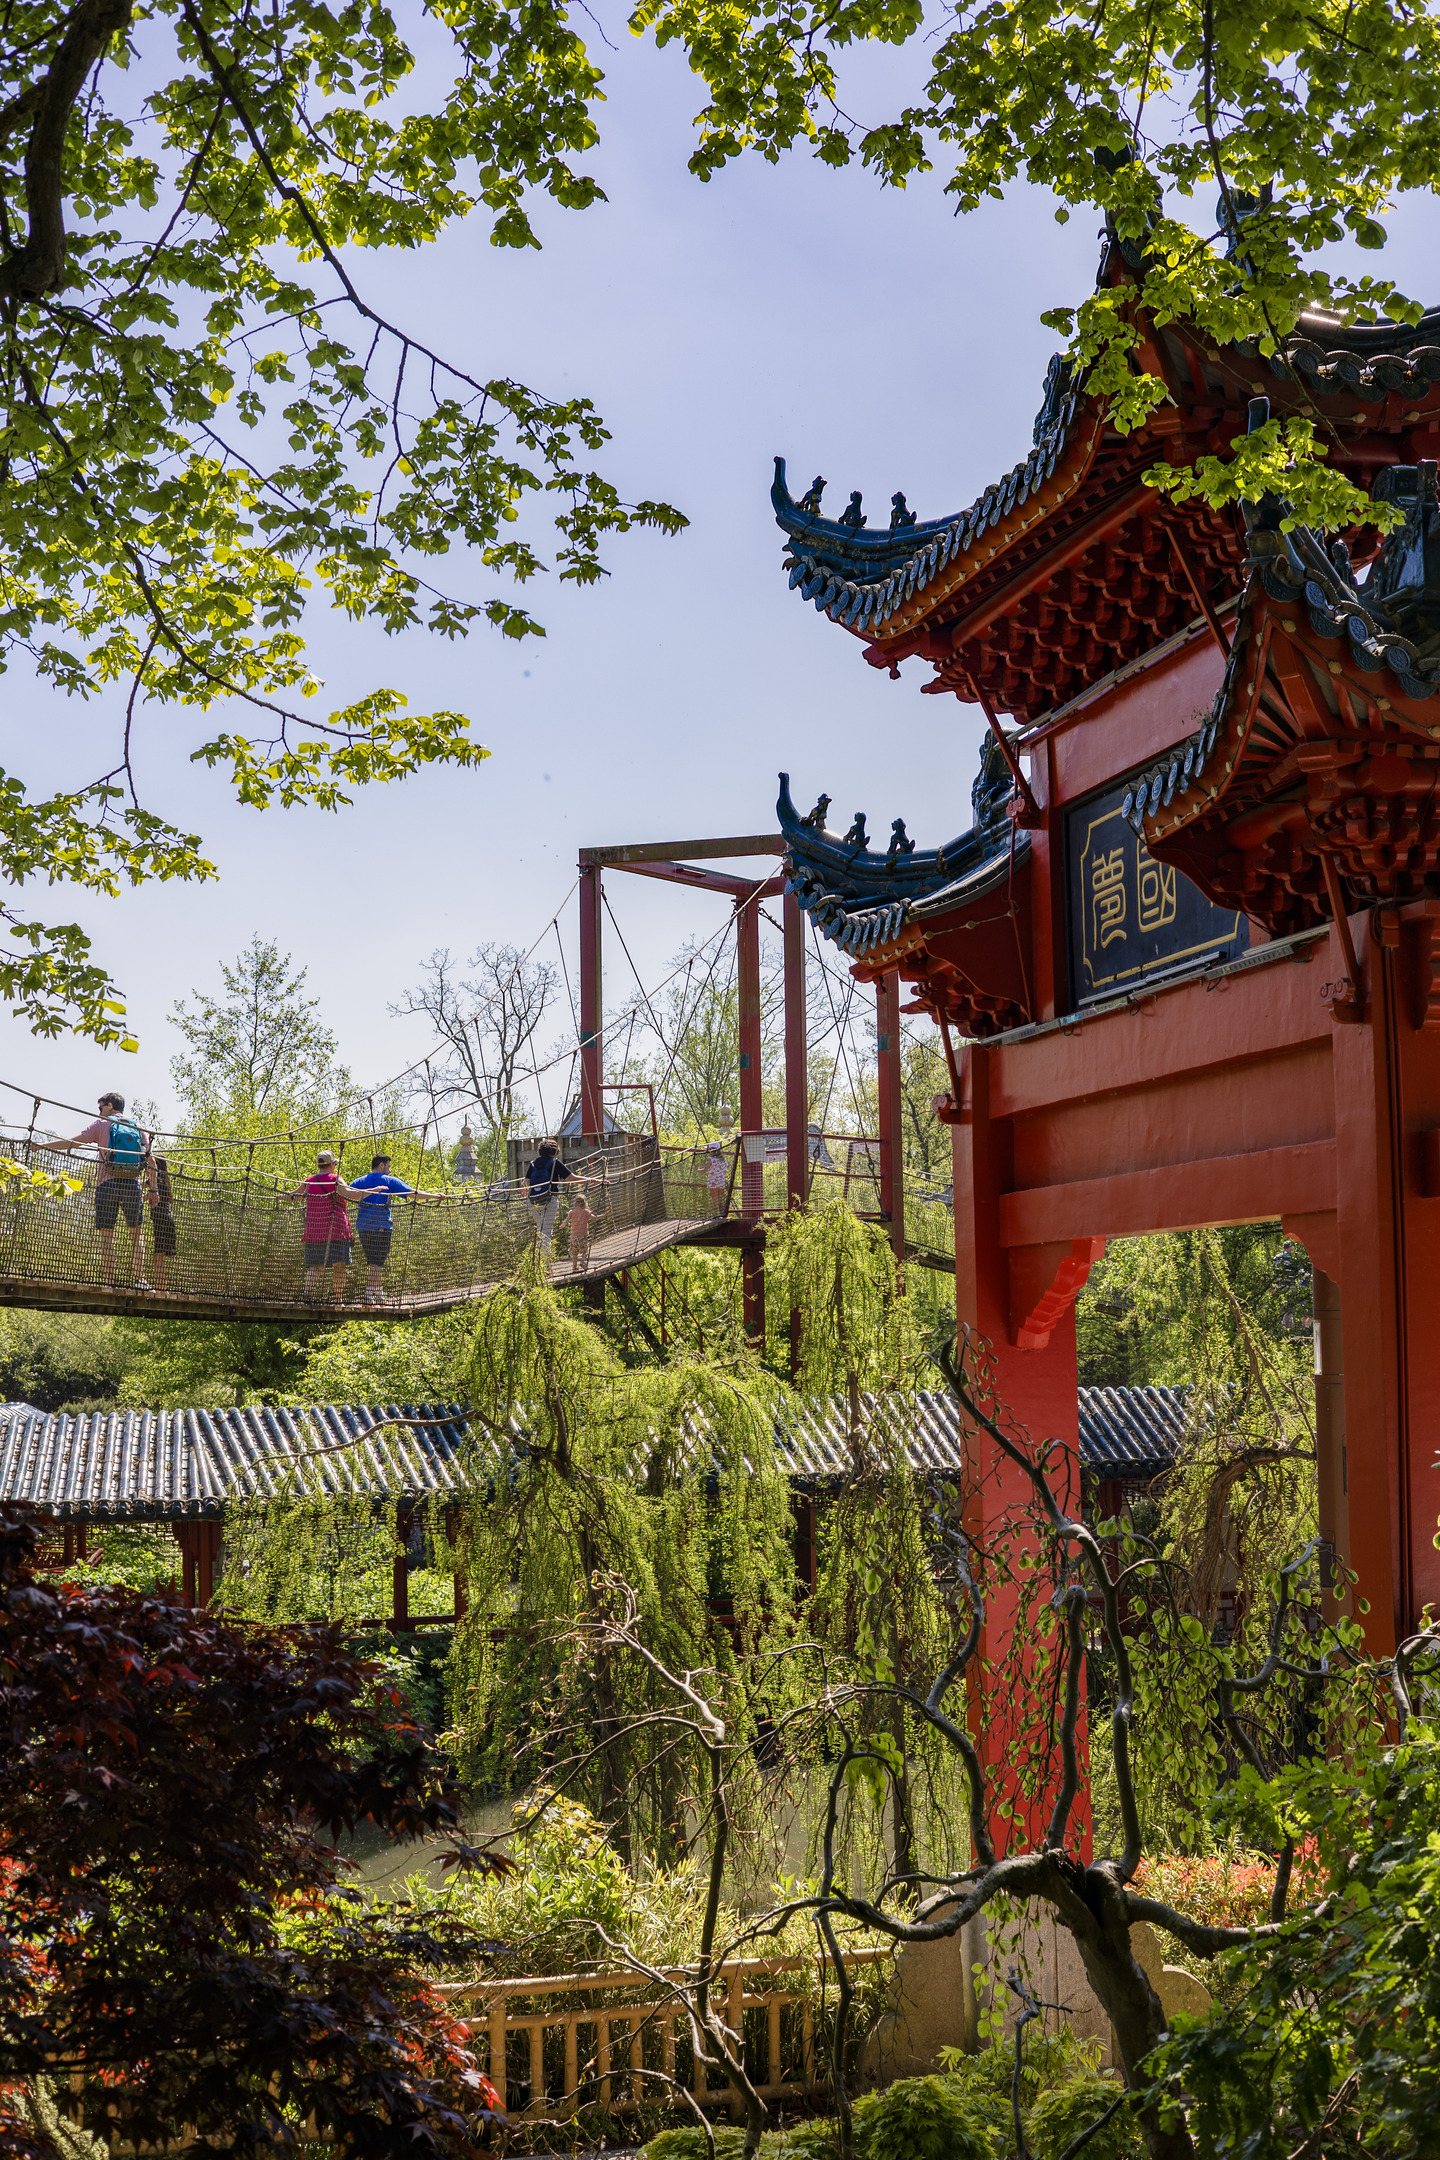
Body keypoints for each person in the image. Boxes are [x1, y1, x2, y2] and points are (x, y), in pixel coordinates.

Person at [54, 1090, 153, 1291]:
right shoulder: (136, 1125)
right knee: (137, 1234)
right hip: (132, 1182)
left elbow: (73, 1142)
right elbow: (149, 1157)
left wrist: (42, 1146)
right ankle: (141, 1280)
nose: (98, 1110)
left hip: (106, 1183)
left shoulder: (101, 1124)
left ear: (110, 1106)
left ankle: (110, 1282)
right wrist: (155, 1188)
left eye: (101, 1106)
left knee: (107, 1235)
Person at [283, 1149, 372, 1305]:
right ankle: (338, 1300)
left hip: (315, 1231)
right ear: (332, 1165)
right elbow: (352, 1194)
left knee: (315, 1266)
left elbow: (293, 1196)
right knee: (339, 1266)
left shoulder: (309, 1181)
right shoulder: (335, 1180)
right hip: (336, 1230)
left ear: (319, 1165)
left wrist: (279, 1196)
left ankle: (307, 1294)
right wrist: (374, 1191)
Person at [348, 1153, 417, 1306]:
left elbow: (347, 1193)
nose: (389, 1170)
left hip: (363, 1228)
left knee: (374, 1263)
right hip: (381, 1227)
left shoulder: (360, 1181)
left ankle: (379, 1296)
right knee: (376, 1264)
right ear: (381, 1165)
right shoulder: (388, 1181)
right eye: (388, 1166)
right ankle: (367, 1296)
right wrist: (436, 1196)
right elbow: (413, 1194)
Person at [524, 1138, 573, 1256]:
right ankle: (545, 1263)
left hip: (533, 1201)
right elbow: (571, 1178)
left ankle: (538, 1260)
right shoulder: (554, 1162)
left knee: (540, 1230)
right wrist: (593, 1180)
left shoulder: (533, 1163)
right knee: (546, 1232)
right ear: (555, 1151)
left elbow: (526, 1182)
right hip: (550, 1199)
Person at [145, 1152, 177, 1294]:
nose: (146, 1168)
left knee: (158, 1255)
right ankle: (162, 1288)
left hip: (162, 1220)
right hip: (165, 1220)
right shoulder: (162, 1180)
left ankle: (161, 1289)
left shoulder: (156, 1181)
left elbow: (145, 1195)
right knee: (160, 1255)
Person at [566, 1185, 595, 1274]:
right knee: (585, 1250)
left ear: (575, 1203)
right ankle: (583, 1262)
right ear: (584, 1203)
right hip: (582, 1236)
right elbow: (594, 1217)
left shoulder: (572, 1212)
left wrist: (563, 1225)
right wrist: (603, 1215)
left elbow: (566, 1220)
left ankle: (574, 1267)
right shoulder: (586, 1212)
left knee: (574, 1252)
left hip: (573, 1236)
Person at [705, 1140, 728, 1218]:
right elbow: (726, 1166)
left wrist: (697, 1169)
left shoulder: (710, 1159)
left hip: (713, 1182)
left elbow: (705, 1170)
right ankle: (721, 1214)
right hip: (721, 1182)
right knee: (720, 1199)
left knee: (714, 1200)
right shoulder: (722, 1159)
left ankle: (714, 1215)